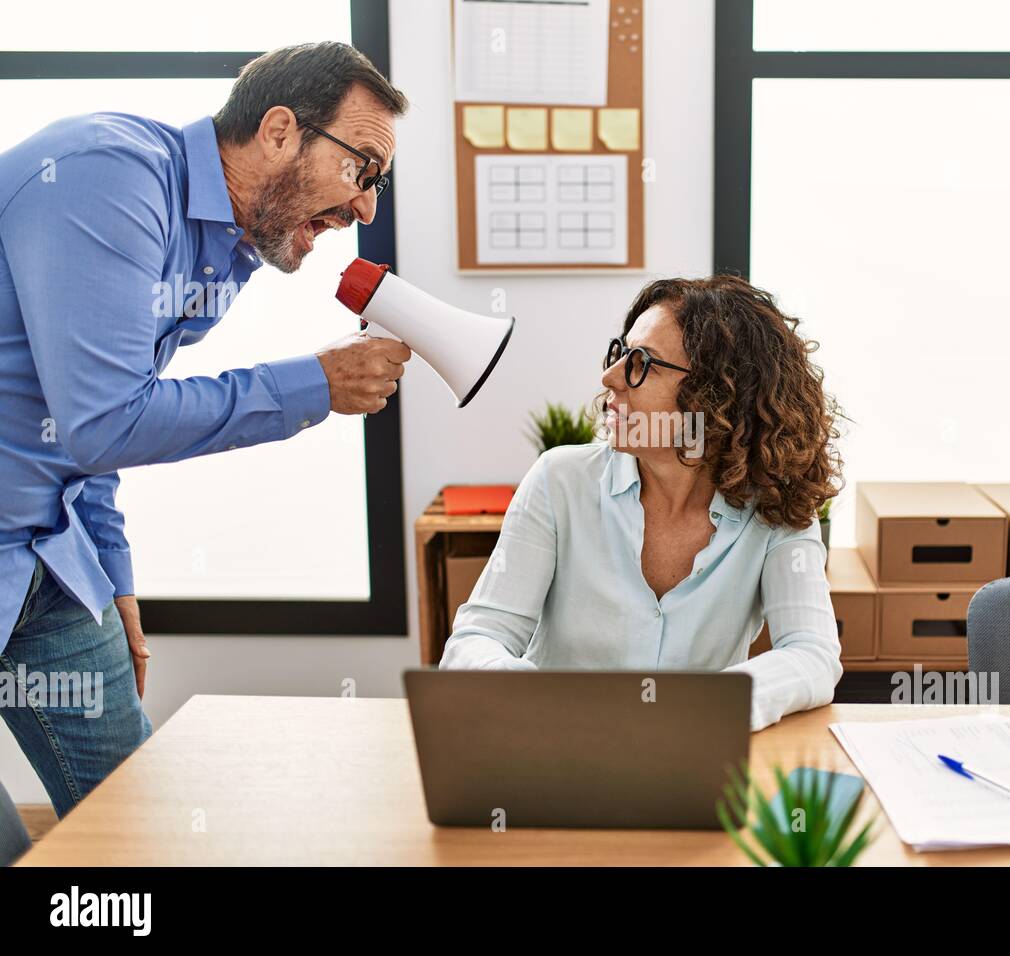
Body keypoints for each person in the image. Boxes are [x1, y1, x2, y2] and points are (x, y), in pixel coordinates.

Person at [0, 42, 412, 816]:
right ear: (282, 130)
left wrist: (111, 572)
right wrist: (315, 384)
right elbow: (101, 423)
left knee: (134, 825)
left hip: (44, 562)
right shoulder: (105, 178)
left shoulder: (223, 253)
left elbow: (78, 428)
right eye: (362, 168)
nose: (366, 209)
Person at [441, 275, 845, 731]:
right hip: (555, 752)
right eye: (620, 354)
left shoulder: (776, 505)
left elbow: (812, 655)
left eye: (642, 364)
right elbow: (476, 641)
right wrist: (535, 697)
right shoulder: (560, 481)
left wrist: (710, 708)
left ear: (719, 395)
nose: (610, 377)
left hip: (689, 762)